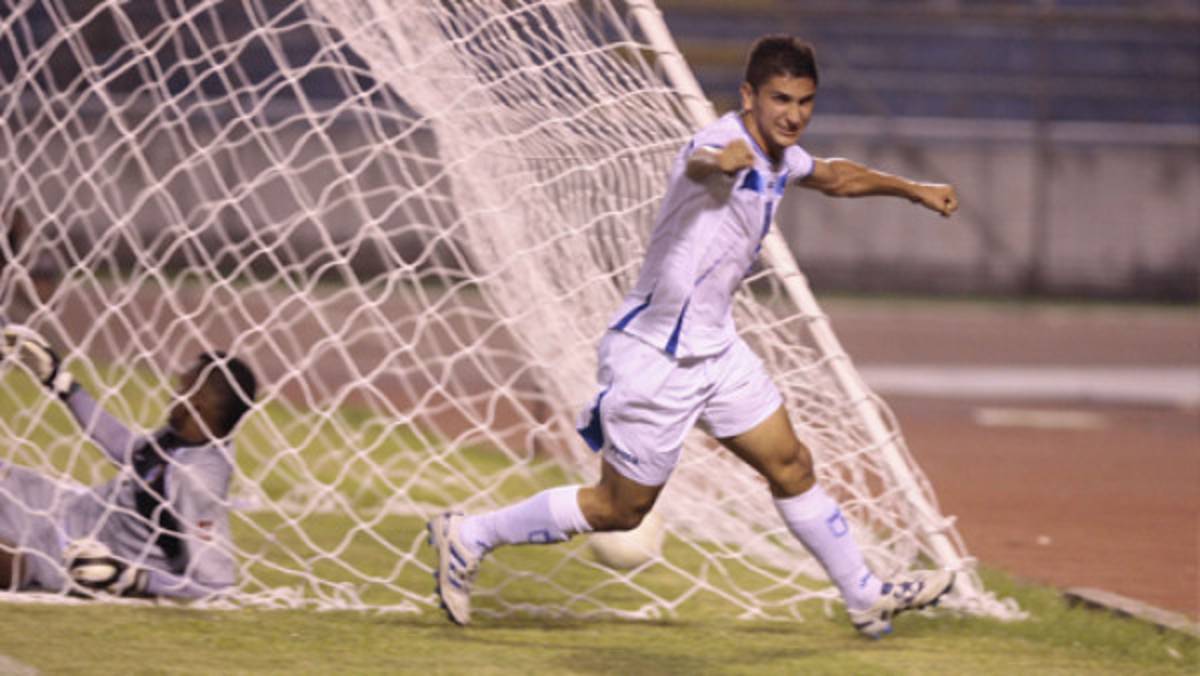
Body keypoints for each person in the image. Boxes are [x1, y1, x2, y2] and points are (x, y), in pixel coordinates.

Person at [428, 35, 958, 637]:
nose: (793, 114)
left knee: (790, 464)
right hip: (656, 357)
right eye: (780, 99)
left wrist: (913, 189)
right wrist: (721, 163)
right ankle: (469, 536)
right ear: (748, 96)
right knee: (620, 510)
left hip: (716, 350)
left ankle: (864, 595)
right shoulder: (718, 143)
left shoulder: (783, 157)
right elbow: (700, 162)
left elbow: (836, 176)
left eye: (805, 102)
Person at [0, 324, 257, 599]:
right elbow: (125, 448)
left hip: (69, 552)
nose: (173, 394)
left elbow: (215, 585)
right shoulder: (180, 437)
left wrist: (133, 577)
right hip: (61, 505)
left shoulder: (196, 479)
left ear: (197, 403)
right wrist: (60, 381)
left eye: (182, 388)